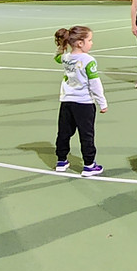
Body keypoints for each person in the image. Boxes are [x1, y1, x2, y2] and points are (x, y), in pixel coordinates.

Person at [53, 26, 107, 176]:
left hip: (66, 101)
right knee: (86, 134)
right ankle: (89, 164)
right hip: (84, 103)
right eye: (89, 40)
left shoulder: (66, 58)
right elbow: (95, 83)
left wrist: (61, 46)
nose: (92, 43)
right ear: (79, 43)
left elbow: (57, 57)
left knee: (64, 132)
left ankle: (61, 160)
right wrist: (102, 102)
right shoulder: (88, 60)